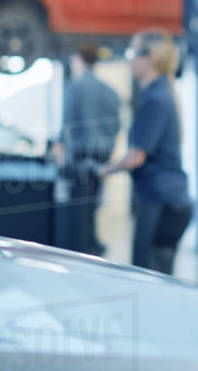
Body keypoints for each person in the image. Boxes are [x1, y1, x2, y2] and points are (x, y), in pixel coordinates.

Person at [100, 30, 192, 275]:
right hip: (172, 201)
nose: (129, 59)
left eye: (132, 53)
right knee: (159, 278)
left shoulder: (154, 99)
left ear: (149, 57)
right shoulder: (163, 94)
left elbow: (136, 157)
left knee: (146, 278)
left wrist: (104, 170)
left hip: (160, 202)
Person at [56, 43, 121, 255]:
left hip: (80, 155)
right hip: (102, 155)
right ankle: (92, 242)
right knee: (93, 202)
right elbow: (116, 125)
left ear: (79, 60)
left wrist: (60, 146)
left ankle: (82, 244)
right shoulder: (109, 91)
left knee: (79, 204)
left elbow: (68, 123)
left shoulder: (75, 87)